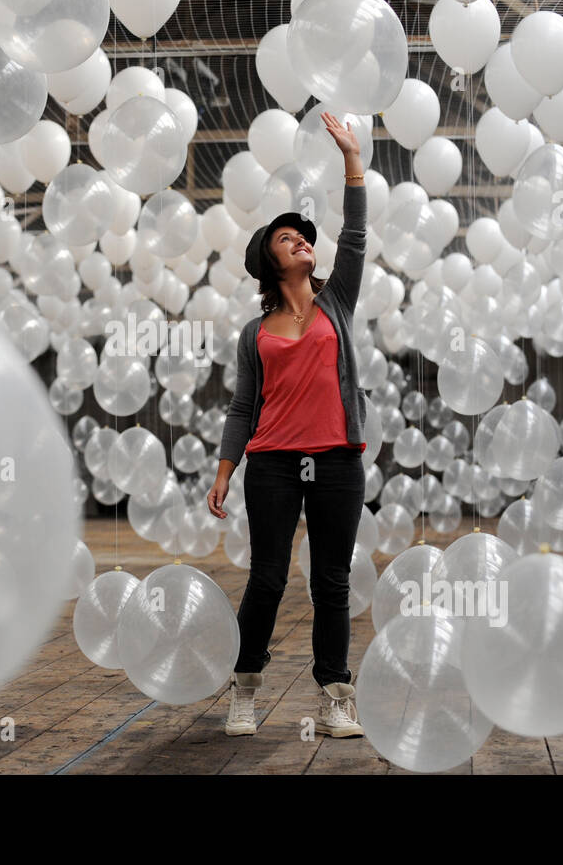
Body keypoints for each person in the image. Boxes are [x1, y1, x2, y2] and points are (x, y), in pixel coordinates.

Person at [207, 111, 368, 738]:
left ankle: (335, 695)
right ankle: (245, 687)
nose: (301, 239)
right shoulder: (254, 333)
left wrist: (351, 159)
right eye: (286, 238)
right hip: (272, 463)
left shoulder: (337, 303)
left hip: (337, 460)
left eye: (303, 235)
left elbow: (354, 234)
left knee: (332, 581)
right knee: (268, 577)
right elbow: (242, 407)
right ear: (268, 261)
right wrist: (226, 470)